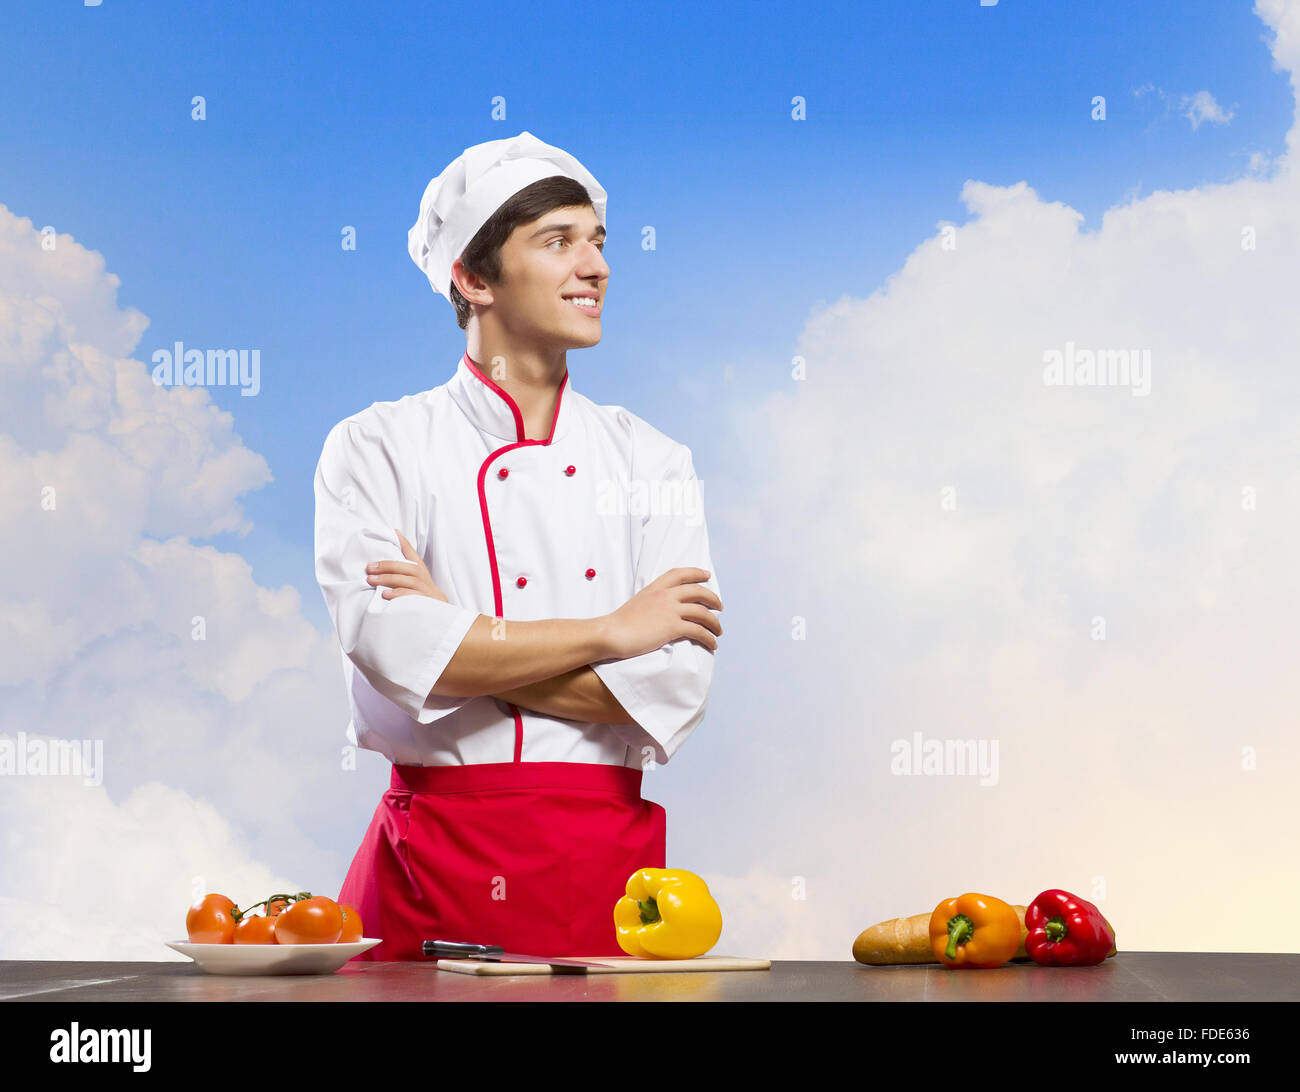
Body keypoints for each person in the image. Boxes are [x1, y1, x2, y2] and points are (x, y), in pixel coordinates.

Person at [313, 131, 723, 960]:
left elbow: (674, 685)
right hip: (430, 866)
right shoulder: (376, 446)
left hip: (612, 880)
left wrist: (459, 643)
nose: (597, 266)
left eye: (597, 241)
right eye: (557, 242)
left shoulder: (652, 459)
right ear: (472, 277)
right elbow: (390, 650)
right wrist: (613, 633)